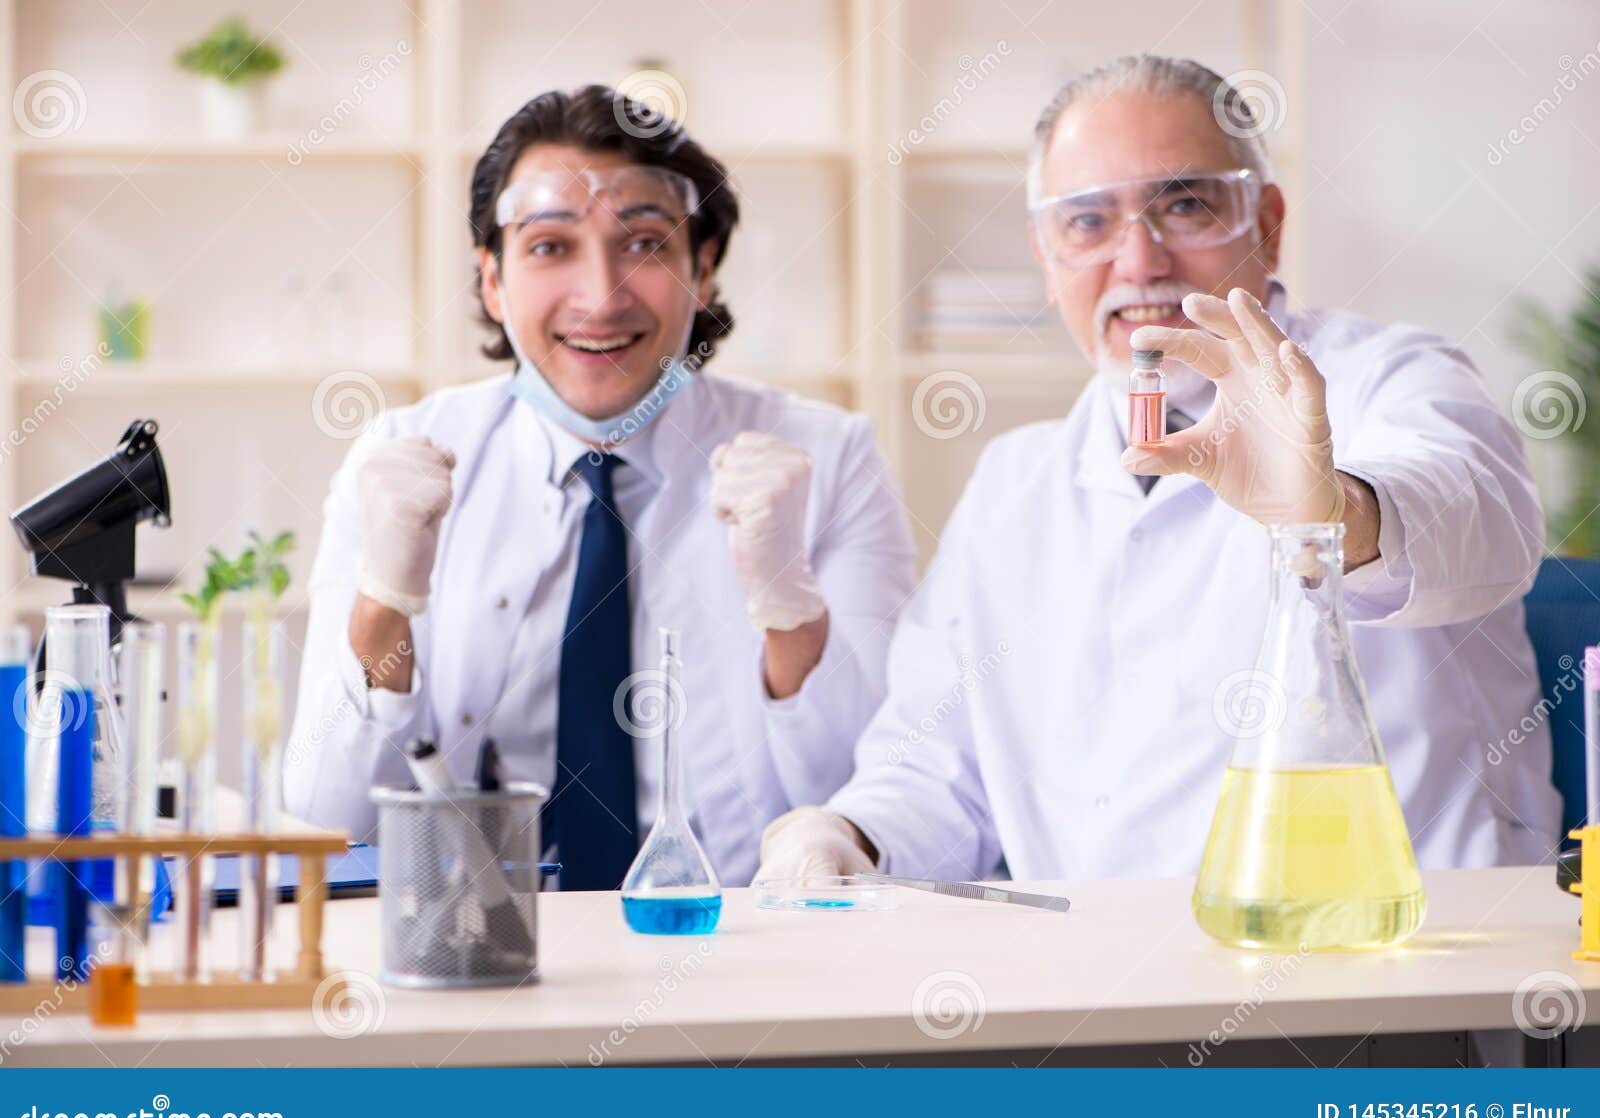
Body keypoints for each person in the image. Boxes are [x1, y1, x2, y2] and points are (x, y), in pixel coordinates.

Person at [756, 54, 1559, 884]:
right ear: (1046, 252)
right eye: (1087, 222)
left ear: (1268, 223)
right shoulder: (1014, 481)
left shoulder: (1393, 377)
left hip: (1386, 975)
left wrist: (1329, 507)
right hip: (1098, 995)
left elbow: (1478, 524)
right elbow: (936, 768)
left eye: (1185, 205)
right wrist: (845, 833)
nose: (1139, 263)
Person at [284, 86, 916, 889]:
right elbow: (326, 811)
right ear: (492, 279)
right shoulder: (399, 459)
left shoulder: (830, 459)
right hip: (482, 951)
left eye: (647, 243)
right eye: (550, 246)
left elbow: (875, 803)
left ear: (706, 269)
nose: (602, 296)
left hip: (741, 951)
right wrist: (383, 608)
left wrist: (790, 612)